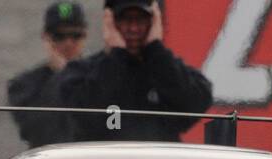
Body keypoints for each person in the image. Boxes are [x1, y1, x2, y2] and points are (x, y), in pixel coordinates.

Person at [58, 0, 213, 142]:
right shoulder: (80, 72)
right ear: (110, 21)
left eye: (141, 20)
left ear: (154, 22)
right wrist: (117, 55)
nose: (133, 28)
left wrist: (155, 49)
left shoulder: (166, 68)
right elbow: (86, 119)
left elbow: (194, 105)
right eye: (126, 20)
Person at [7, 2, 88, 149]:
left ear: (85, 36)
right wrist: (63, 74)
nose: (68, 43)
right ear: (46, 38)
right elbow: (33, 129)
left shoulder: (99, 77)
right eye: (59, 36)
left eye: (75, 35)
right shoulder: (23, 85)